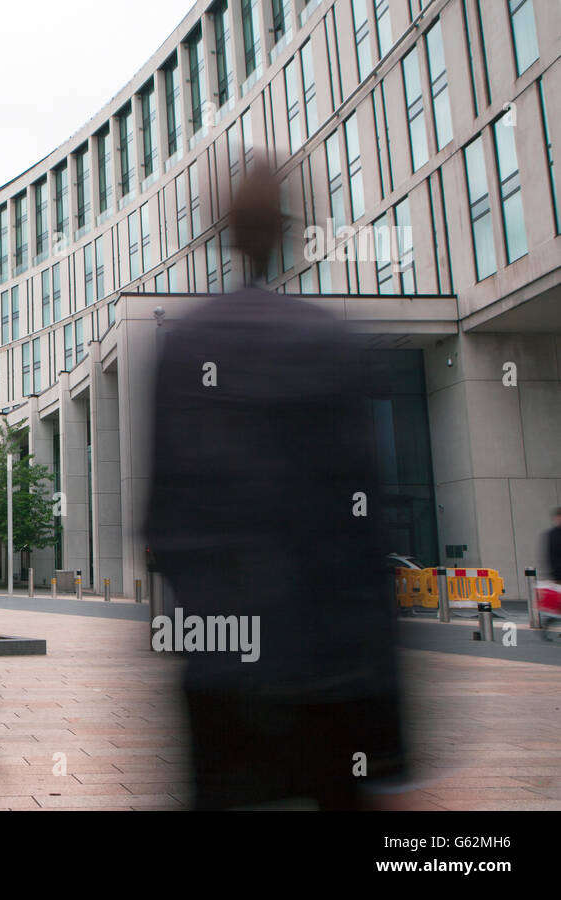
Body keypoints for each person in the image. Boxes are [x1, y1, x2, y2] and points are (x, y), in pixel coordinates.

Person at [144, 155, 407, 810]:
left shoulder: (184, 346)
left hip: (222, 673)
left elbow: (161, 528)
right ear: (286, 232)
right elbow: (366, 526)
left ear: (224, 234)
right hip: (332, 668)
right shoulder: (332, 341)